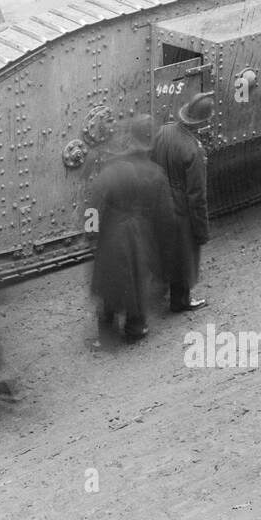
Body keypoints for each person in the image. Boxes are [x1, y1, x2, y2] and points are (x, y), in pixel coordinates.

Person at [88, 115, 175, 347]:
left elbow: (93, 208)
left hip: (112, 234)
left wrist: (91, 235)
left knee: (109, 283)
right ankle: (136, 327)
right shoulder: (144, 171)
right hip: (135, 230)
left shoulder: (105, 176)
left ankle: (106, 335)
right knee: (135, 278)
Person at [151, 92, 212, 313]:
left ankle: (161, 287)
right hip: (179, 205)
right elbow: (197, 196)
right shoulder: (194, 150)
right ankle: (181, 300)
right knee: (184, 253)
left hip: (158, 198)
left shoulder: (163, 131)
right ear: (203, 121)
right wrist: (201, 231)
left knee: (164, 246)